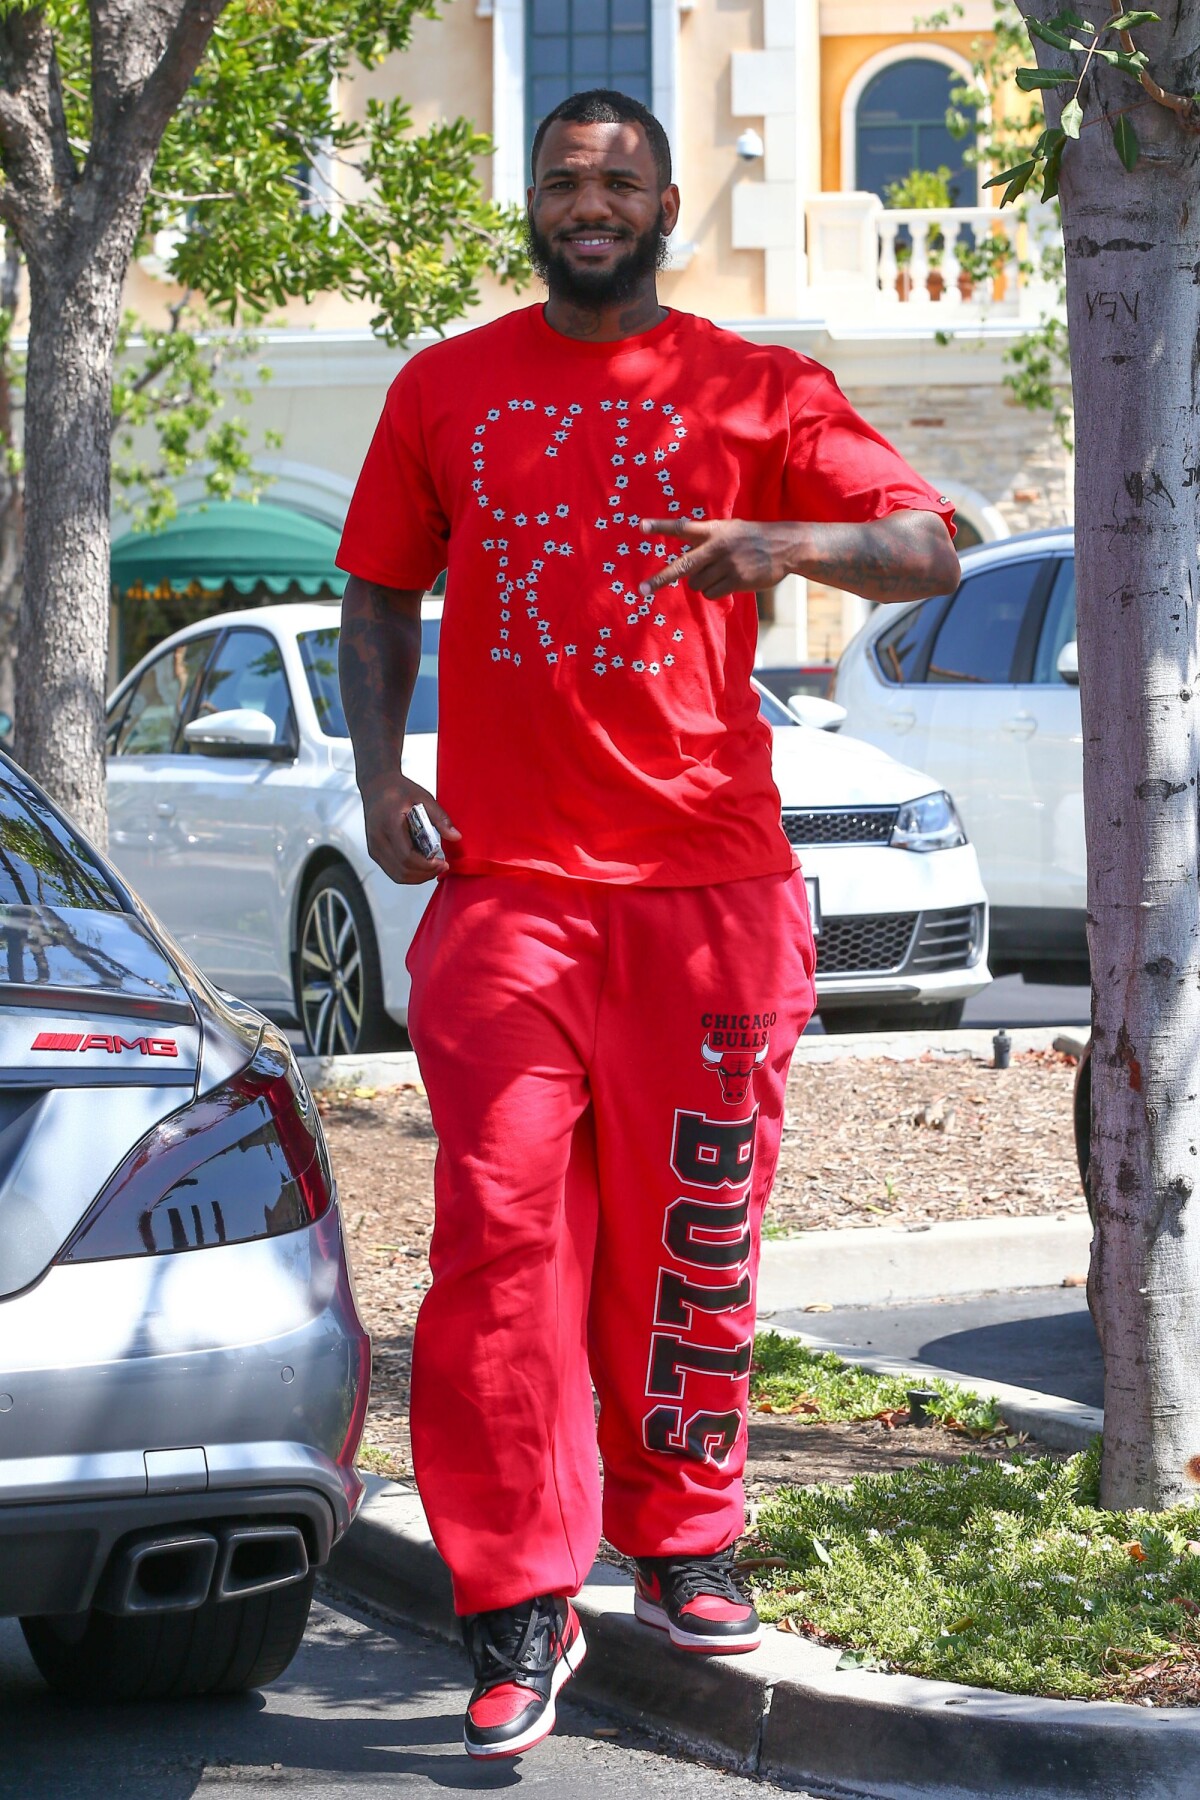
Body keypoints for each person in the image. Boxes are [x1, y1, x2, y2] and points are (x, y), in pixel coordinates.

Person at [335, 87, 960, 1761]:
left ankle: (682, 1540)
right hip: (510, 898)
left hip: (709, 893)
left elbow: (927, 549)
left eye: (619, 181)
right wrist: (382, 776)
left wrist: (785, 540)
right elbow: (379, 588)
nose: (590, 203)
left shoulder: (758, 387)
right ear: (533, 204)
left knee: (692, 1227)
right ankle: (518, 1595)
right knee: (499, 1251)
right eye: (564, 181)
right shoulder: (444, 388)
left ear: (667, 205)